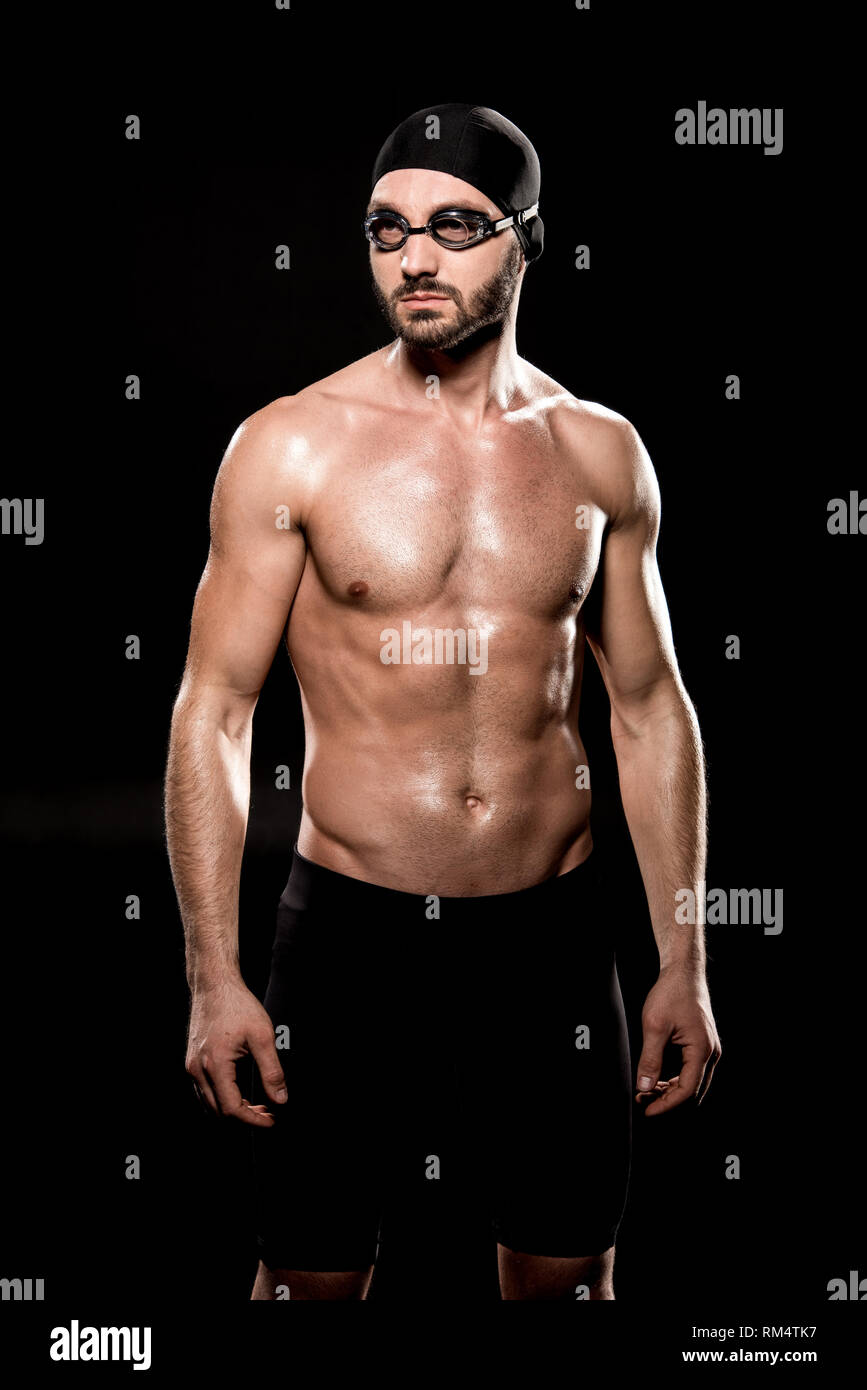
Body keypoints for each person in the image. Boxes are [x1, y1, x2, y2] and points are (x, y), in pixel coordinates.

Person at [165, 103, 722, 1302]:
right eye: (387, 229)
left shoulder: (599, 453)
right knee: (306, 1283)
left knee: (569, 1277)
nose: (414, 258)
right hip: (350, 931)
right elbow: (211, 710)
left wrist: (685, 952)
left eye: (455, 226)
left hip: (551, 939)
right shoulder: (290, 447)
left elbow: (647, 708)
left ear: (526, 240)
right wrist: (215, 976)